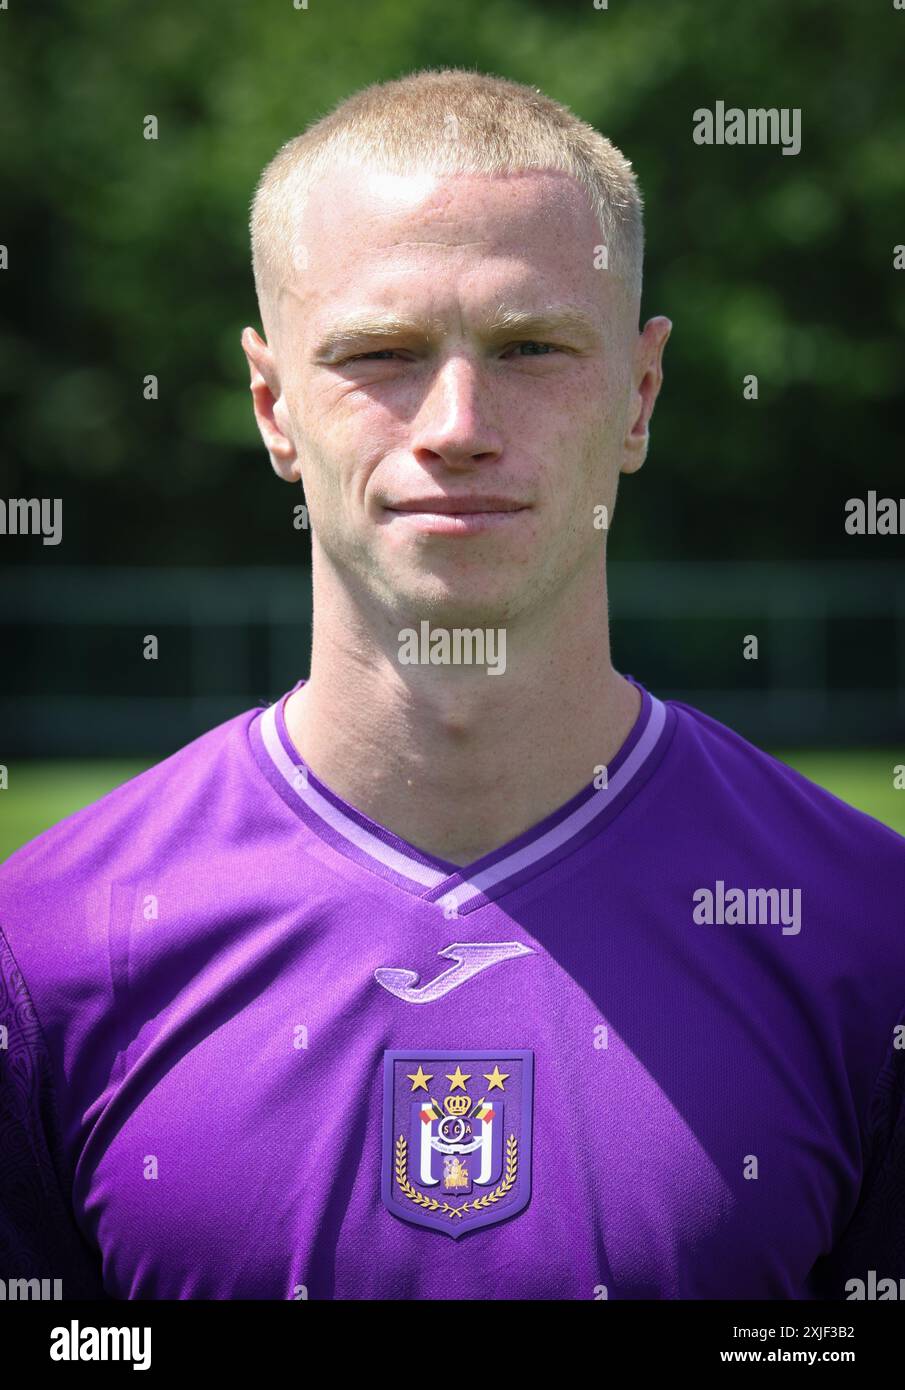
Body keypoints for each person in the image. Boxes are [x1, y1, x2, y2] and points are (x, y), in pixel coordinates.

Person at [1, 67, 903, 1301]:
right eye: (381, 351)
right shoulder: (45, 951)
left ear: (638, 396)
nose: (458, 423)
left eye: (531, 346)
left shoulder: (864, 935)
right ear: (272, 405)